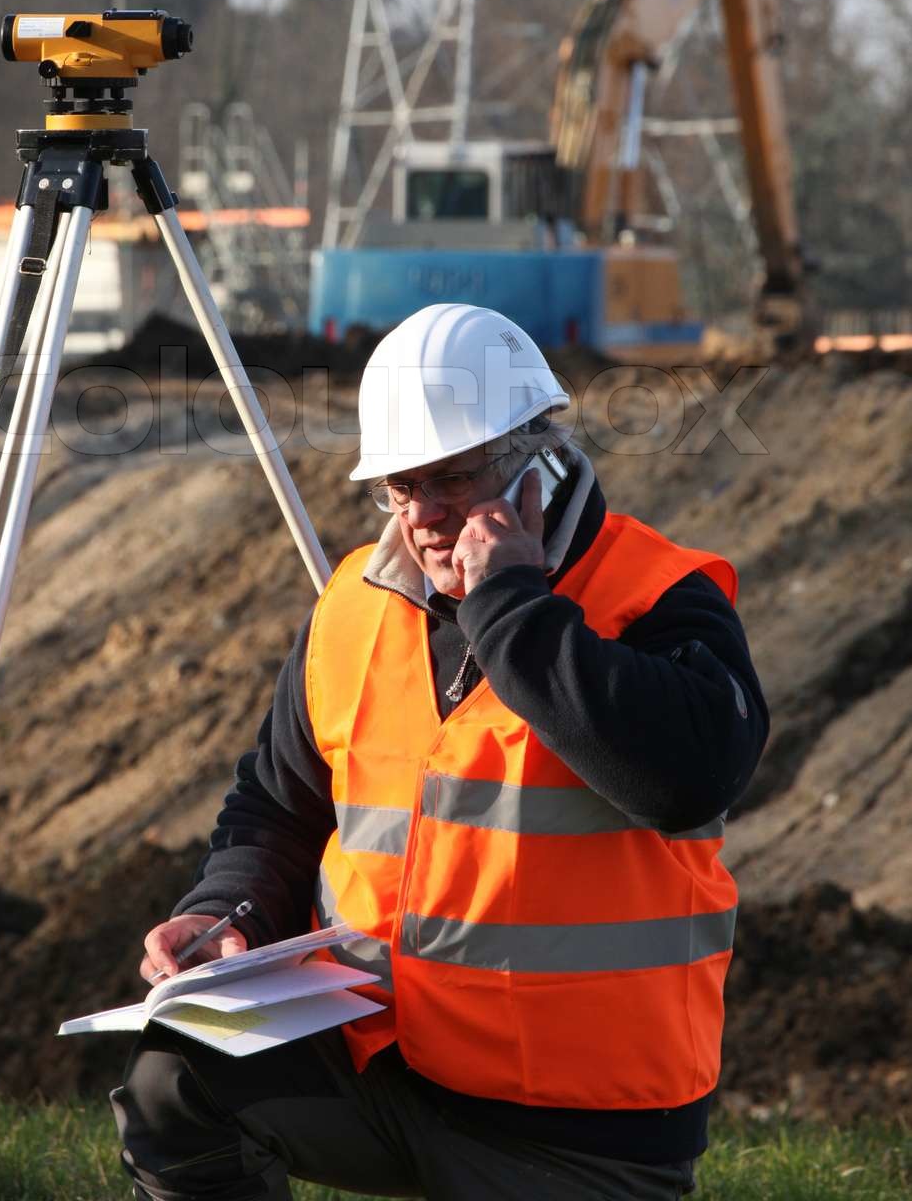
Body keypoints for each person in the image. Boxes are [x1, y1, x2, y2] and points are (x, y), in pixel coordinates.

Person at [112, 303, 768, 1201]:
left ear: (539, 462)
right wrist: (230, 912)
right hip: (378, 1069)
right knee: (174, 1081)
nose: (421, 517)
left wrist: (509, 605)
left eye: (452, 479)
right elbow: (278, 807)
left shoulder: (659, 597)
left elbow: (687, 782)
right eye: (399, 486)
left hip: (582, 1132)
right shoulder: (354, 604)